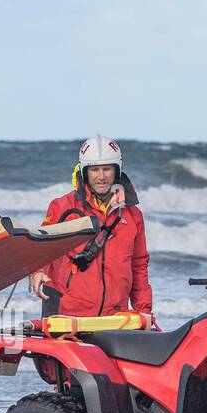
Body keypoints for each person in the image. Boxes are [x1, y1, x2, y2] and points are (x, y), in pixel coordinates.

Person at [29, 135, 152, 317]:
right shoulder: (62, 206)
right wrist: (38, 272)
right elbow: (41, 247)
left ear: (117, 170)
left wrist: (144, 311)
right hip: (67, 313)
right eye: (94, 169)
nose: (101, 176)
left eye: (107, 169)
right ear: (85, 172)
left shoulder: (133, 215)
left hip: (114, 317)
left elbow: (139, 265)